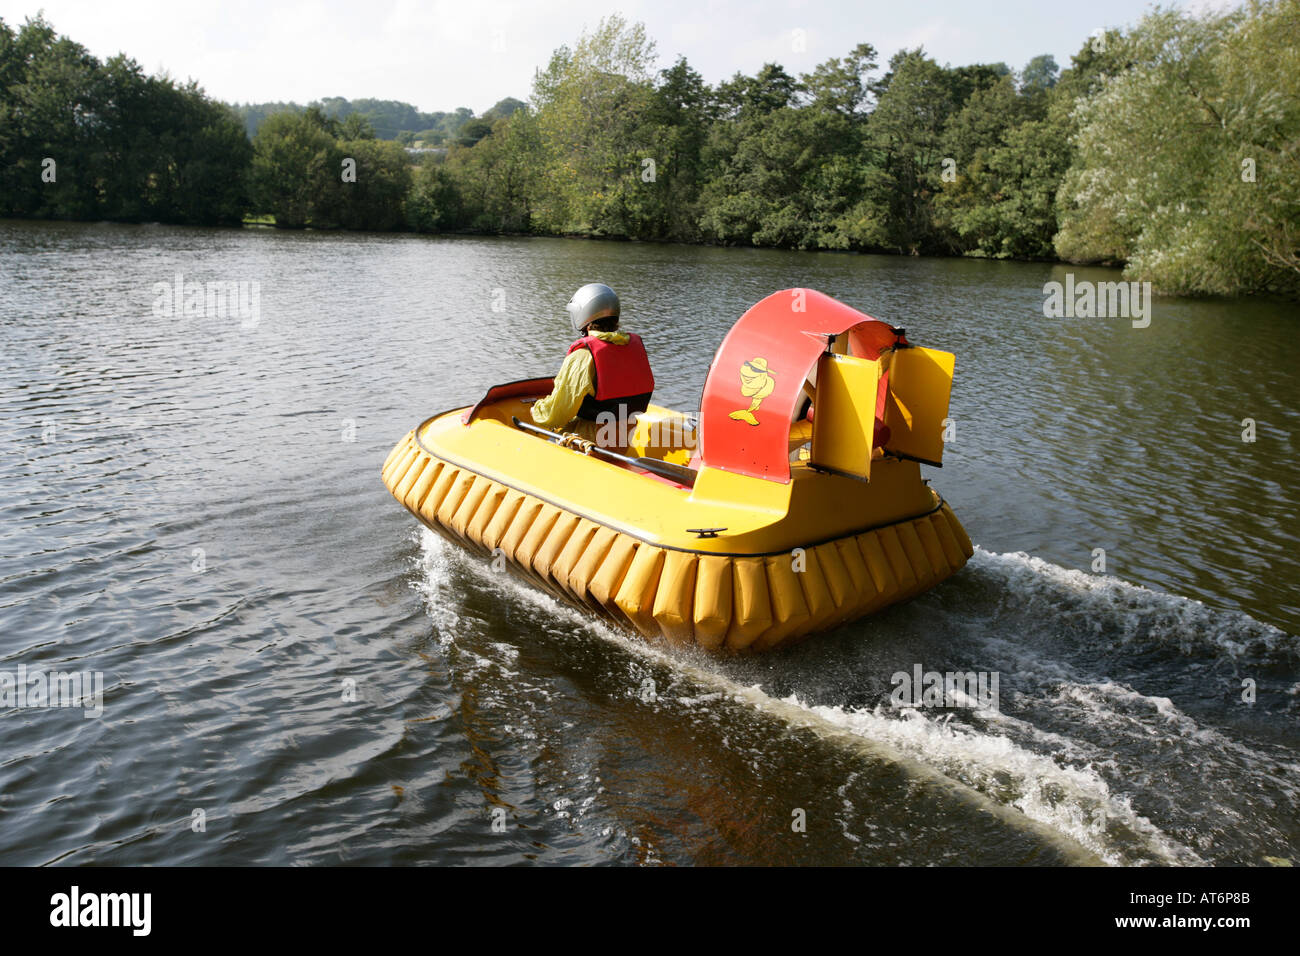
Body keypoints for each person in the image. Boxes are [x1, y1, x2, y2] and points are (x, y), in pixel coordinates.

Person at [530, 283, 654, 450]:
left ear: (585, 317)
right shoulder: (631, 347)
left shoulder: (583, 356)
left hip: (590, 442)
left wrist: (536, 410)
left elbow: (556, 414)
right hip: (623, 439)